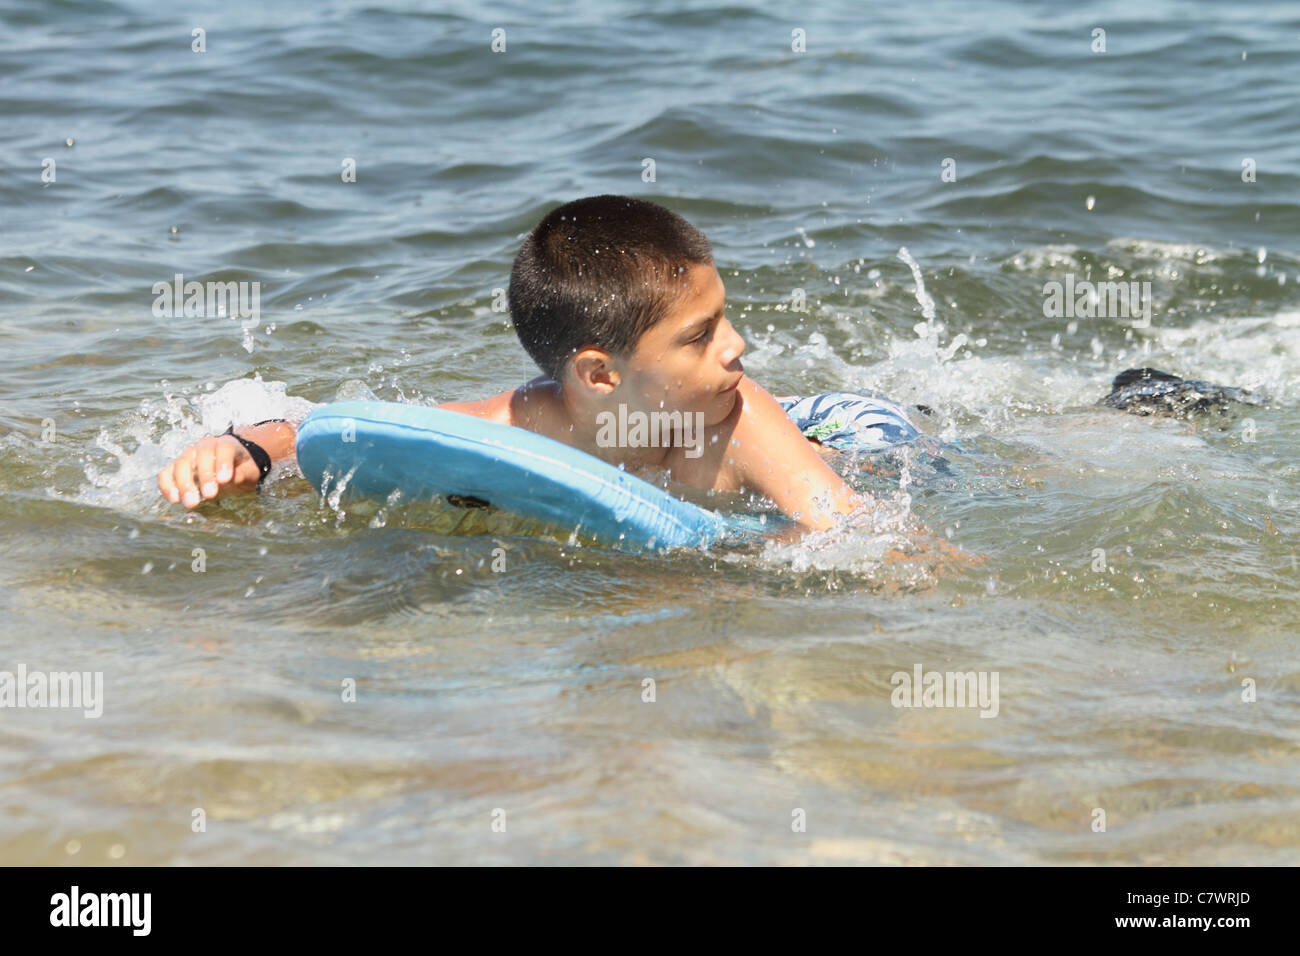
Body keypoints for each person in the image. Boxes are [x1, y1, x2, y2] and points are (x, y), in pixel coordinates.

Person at [157, 195, 927, 532]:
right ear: (599, 377)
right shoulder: (519, 426)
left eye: (721, 317)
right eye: (700, 335)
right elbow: (331, 431)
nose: (737, 345)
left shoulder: (736, 417)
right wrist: (246, 450)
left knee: (894, 456)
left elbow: (851, 535)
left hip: (849, 429)